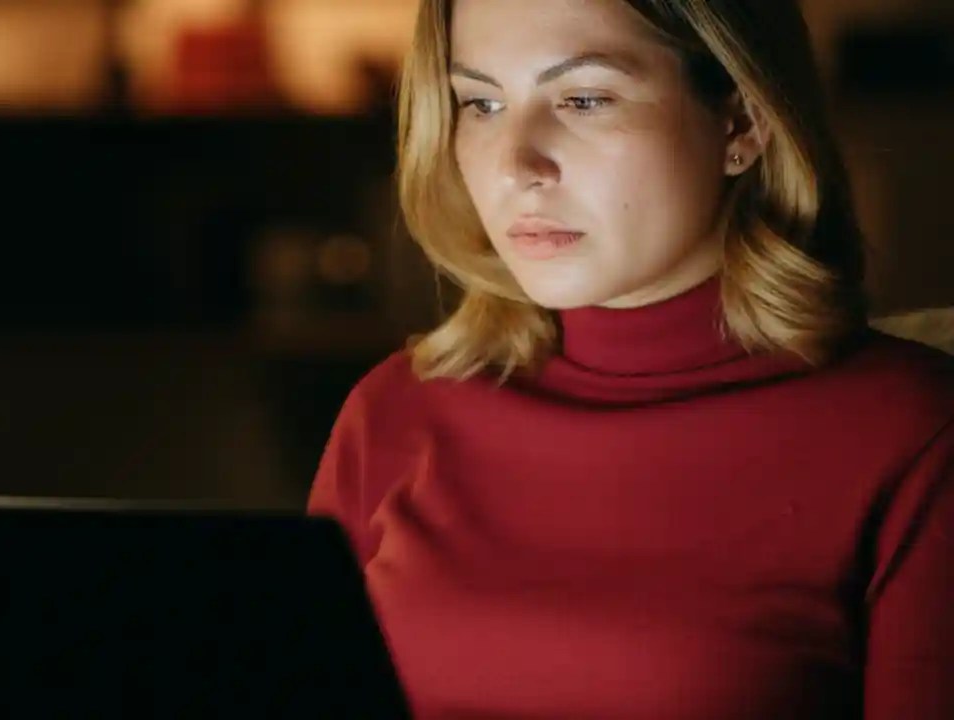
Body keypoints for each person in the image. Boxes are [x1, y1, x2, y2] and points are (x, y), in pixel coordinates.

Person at [305, 1, 954, 718]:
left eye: (584, 99)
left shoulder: (911, 430)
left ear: (741, 122)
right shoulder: (396, 409)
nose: (516, 165)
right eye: (481, 102)